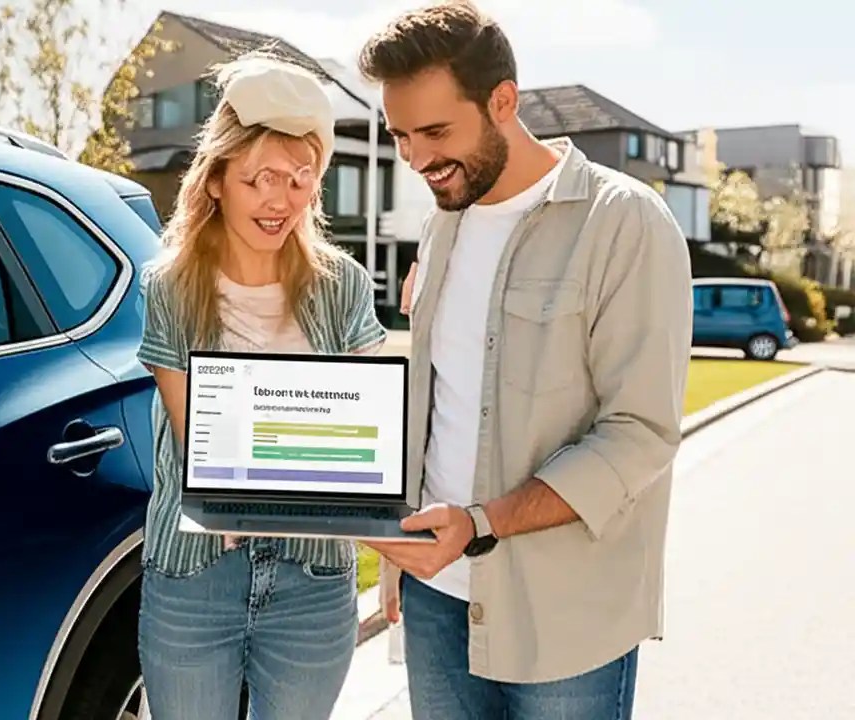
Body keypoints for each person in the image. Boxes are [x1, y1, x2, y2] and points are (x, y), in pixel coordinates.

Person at [357, 2, 693, 718]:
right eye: (401, 136)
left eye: (435, 132)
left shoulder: (624, 222)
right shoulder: (442, 223)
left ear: (503, 101)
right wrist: (397, 538)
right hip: (436, 601)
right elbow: (436, 398)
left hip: (566, 619)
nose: (416, 159)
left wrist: (481, 522)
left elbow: (641, 433)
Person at [134, 53, 387, 720]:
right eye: (261, 179)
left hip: (314, 583)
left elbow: (370, 444)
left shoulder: (344, 285)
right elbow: (199, 447)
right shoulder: (170, 288)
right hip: (194, 577)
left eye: (301, 180)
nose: (282, 201)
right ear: (217, 179)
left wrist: (391, 540)